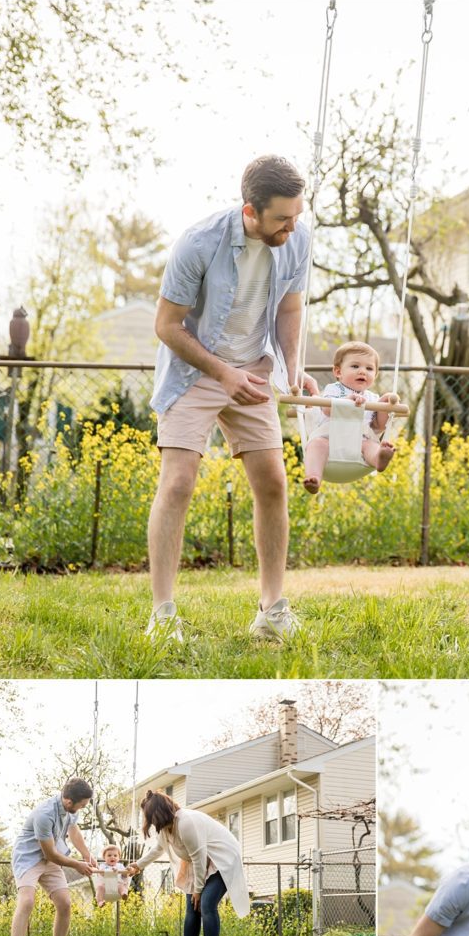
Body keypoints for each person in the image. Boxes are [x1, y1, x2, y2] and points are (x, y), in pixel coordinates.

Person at [146, 154, 319, 644]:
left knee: (273, 483)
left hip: (255, 370)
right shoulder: (199, 243)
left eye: (297, 216)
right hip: (195, 371)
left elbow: (289, 304)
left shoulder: (297, 238)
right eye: (282, 219)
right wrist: (222, 374)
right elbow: (166, 326)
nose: (292, 227)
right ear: (251, 211)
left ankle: (271, 610)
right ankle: (162, 617)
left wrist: (290, 367)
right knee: (178, 483)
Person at [126, 789, 250, 936]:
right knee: (192, 908)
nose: (151, 823)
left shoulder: (186, 822)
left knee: (206, 904)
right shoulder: (164, 828)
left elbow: (200, 857)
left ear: (159, 813)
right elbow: (157, 850)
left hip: (221, 857)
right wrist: (137, 865)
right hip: (197, 862)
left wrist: (198, 890)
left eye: (151, 818)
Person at [8, 777, 96, 936]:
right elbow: (50, 854)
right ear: (68, 802)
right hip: (29, 858)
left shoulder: (69, 810)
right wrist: (76, 865)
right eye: (80, 805)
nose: (81, 808)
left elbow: (74, 831)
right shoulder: (44, 814)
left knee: (64, 903)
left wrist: (86, 855)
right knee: (27, 902)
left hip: (51, 859)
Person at [302, 341, 397, 493]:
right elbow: (326, 409)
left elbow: (378, 426)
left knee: (371, 446)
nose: (362, 372)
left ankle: (380, 458)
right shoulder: (334, 389)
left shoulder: (373, 398)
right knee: (316, 445)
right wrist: (347, 402)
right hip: (329, 439)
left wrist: (386, 404)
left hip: (359, 442)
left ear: (375, 375)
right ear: (338, 372)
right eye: (355, 366)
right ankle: (314, 477)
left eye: (369, 368)